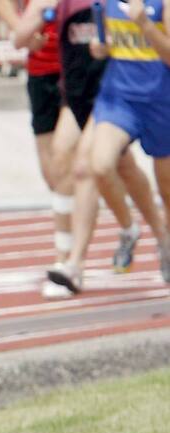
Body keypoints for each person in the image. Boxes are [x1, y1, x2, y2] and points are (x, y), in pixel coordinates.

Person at [14, 0, 161, 293]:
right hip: (78, 92)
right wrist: (33, 31)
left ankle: (74, 262)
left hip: (113, 91)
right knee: (88, 164)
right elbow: (19, 38)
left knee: (90, 166)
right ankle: (126, 232)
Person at [0, 0, 79, 298]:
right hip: (41, 70)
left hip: (79, 68)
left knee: (71, 159)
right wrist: (23, 28)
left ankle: (68, 256)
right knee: (53, 172)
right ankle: (75, 234)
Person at [88, 0, 170, 281]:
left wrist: (145, 24)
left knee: (167, 188)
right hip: (119, 98)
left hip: (161, 100)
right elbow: (106, 44)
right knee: (100, 166)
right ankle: (129, 228)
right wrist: (100, 48)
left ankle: (166, 242)